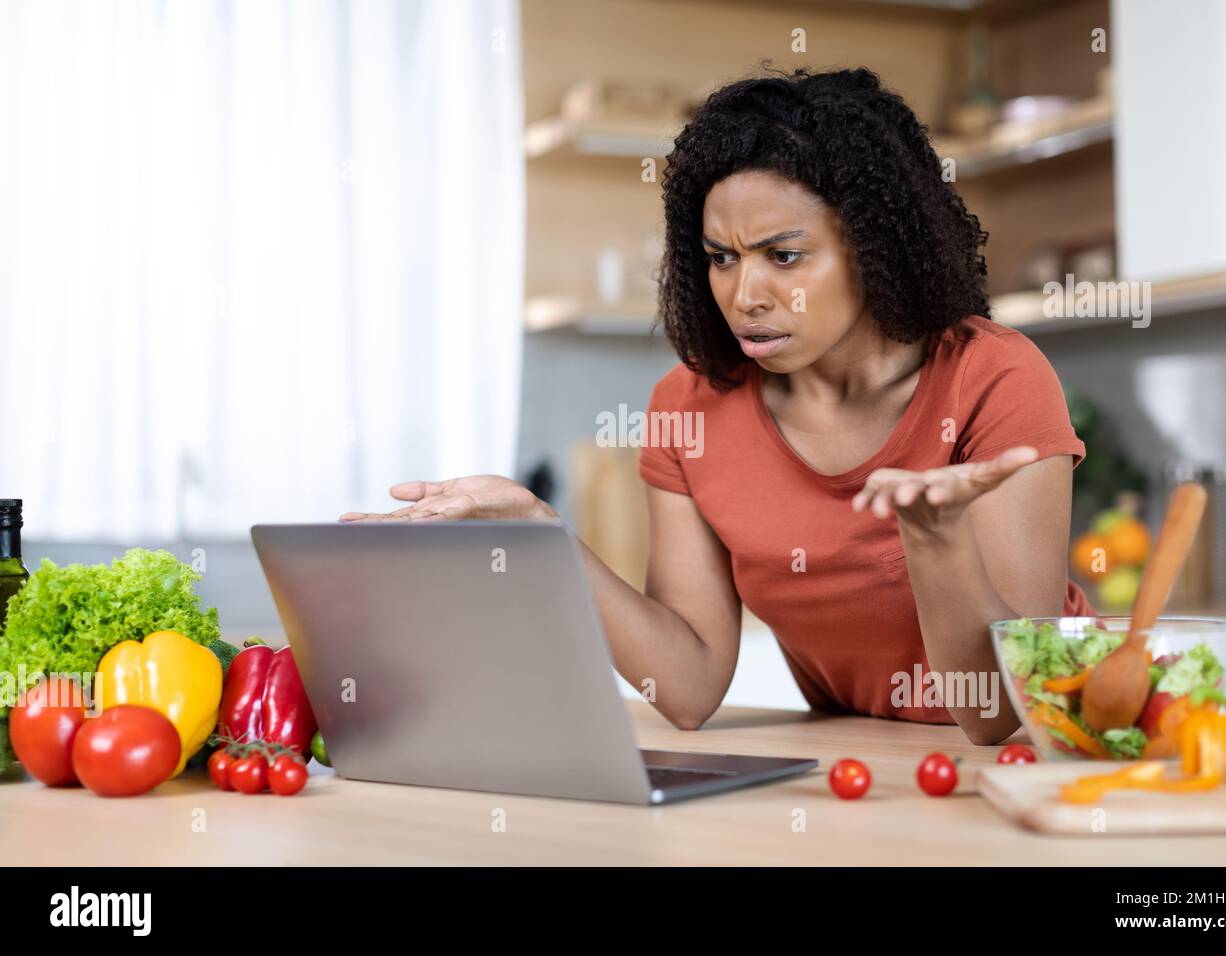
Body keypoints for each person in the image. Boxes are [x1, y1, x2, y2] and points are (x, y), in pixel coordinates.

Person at [341, 67, 1091, 745]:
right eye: (721, 258)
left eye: (784, 255)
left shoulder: (994, 378)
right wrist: (544, 537)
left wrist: (934, 539)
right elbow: (689, 685)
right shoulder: (689, 408)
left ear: (875, 246)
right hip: (867, 762)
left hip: (1058, 752)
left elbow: (1002, 710)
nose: (745, 293)